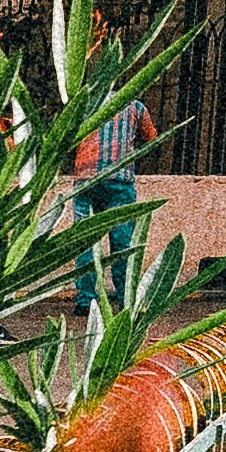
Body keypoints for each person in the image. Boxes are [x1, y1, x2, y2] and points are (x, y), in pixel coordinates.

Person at [72, 84, 153, 315]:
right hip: (119, 181)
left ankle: (86, 301)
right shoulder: (136, 107)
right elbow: (151, 137)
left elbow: (67, 136)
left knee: (85, 242)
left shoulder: (84, 103)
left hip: (85, 180)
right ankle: (125, 300)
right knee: (122, 244)